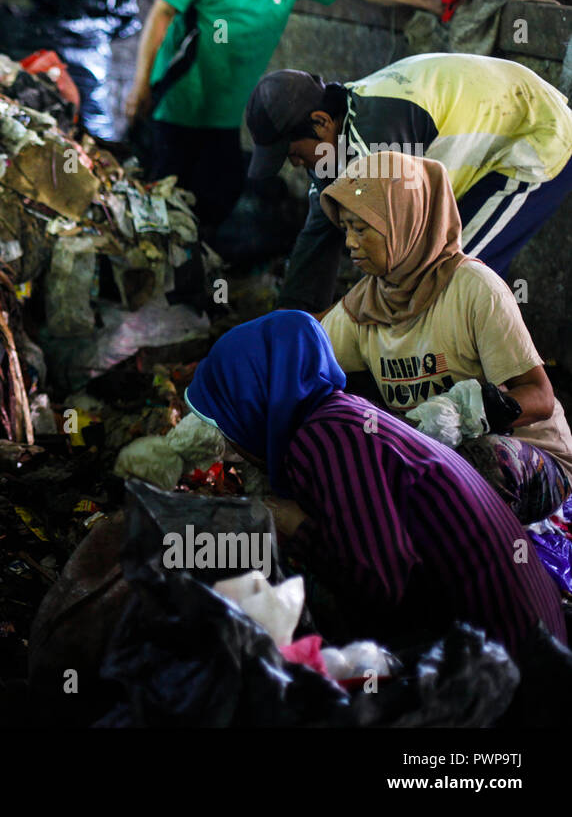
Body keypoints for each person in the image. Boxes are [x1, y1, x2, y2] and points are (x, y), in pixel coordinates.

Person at [185, 308, 566, 656]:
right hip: (527, 642)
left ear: (256, 408)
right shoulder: (340, 417)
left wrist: (296, 526)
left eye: (227, 423)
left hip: (511, 668)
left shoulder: (323, 440)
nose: (230, 448)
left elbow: (384, 589)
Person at [123, 0, 441, 236]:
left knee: (216, 199)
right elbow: (162, 14)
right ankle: (155, 283)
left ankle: (193, 279)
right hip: (179, 102)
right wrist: (140, 85)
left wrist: (426, 2)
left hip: (228, 113)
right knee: (160, 199)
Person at [317, 151, 572, 526]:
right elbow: (303, 348)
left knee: (468, 470)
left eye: (362, 228)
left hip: (531, 456)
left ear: (404, 221)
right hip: (433, 460)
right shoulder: (367, 304)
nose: (351, 244)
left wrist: (469, 412)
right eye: (346, 230)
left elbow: (540, 397)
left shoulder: (474, 289)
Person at [246, 53, 572, 312]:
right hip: (494, 131)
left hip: (535, 135)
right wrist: (288, 321)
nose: (295, 164)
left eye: (294, 154)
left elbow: (399, 255)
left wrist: (331, 324)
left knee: (447, 281)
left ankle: (488, 380)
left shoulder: (378, 138)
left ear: (320, 122)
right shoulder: (336, 131)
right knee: (423, 290)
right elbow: (318, 234)